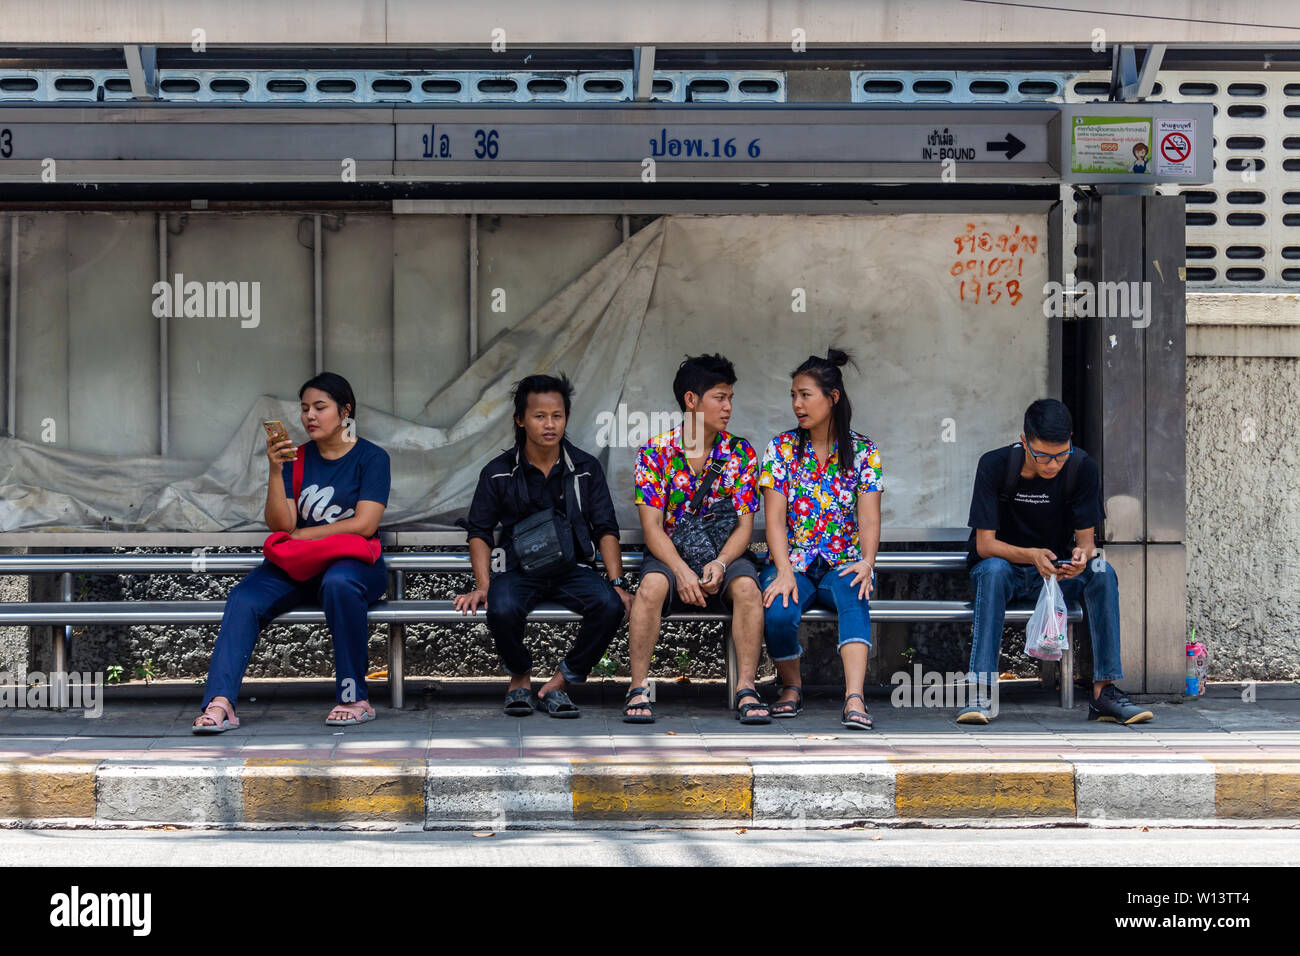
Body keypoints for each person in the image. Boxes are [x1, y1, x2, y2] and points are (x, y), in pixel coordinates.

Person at [193, 372, 391, 732]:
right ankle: (220, 702)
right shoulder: (296, 457)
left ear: (345, 411)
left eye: (320, 407)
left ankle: (354, 697)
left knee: (340, 583)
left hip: (354, 566)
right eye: (304, 409)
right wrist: (275, 469)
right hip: (301, 566)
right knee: (243, 598)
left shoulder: (372, 458)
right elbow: (281, 525)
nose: (309, 416)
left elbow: (364, 523)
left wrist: (307, 534)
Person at [960, 398, 1154, 725]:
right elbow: (985, 544)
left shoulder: (1081, 468)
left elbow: (1087, 542)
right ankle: (981, 690)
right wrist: (1032, 555)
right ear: (1024, 441)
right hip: (1003, 569)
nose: (1052, 465)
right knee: (992, 570)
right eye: (1043, 456)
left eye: (1060, 454)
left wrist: (1081, 558)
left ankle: (1104, 692)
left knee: (1102, 571)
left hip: (1055, 574)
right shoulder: (994, 466)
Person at [455, 373, 629, 719]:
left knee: (610, 607)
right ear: (521, 420)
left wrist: (618, 583)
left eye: (557, 416)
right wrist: (483, 585)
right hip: (519, 570)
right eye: (539, 416)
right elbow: (479, 531)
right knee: (500, 608)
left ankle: (560, 683)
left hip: (572, 569)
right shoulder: (498, 472)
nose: (550, 425)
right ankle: (520, 675)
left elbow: (605, 529)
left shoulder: (585, 469)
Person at [622, 354, 769, 724]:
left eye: (731, 397)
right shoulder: (655, 453)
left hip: (725, 554)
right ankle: (638, 687)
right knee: (651, 587)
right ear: (691, 400)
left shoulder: (740, 452)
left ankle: (747, 689)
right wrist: (681, 572)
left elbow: (744, 526)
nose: (728, 407)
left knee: (749, 590)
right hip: (669, 553)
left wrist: (720, 563)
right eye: (719, 397)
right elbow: (653, 527)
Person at [759, 350, 882, 730]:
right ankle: (792, 687)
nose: (797, 404)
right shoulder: (781, 449)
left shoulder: (864, 451)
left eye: (806, 394)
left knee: (855, 593)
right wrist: (781, 570)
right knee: (778, 607)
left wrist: (867, 562)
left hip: (842, 561)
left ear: (833, 397)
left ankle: (854, 697)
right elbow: (774, 520)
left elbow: (869, 516)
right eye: (793, 395)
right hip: (793, 561)